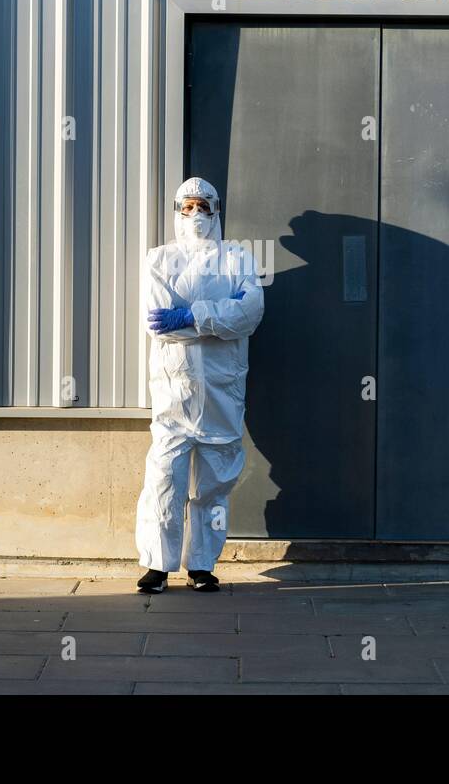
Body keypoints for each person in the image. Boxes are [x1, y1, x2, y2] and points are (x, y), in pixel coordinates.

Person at [134, 177, 265, 593]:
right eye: (187, 206)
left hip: (222, 393)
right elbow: (158, 321)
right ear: (176, 211)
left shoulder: (237, 258)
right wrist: (215, 322)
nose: (196, 215)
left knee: (215, 483)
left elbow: (251, 313)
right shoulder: (159, 259)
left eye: (204, 206)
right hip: (174, 391)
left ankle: (202, 566)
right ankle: (158, 565)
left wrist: (190, 316)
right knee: (163, 478)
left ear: (217, 209)